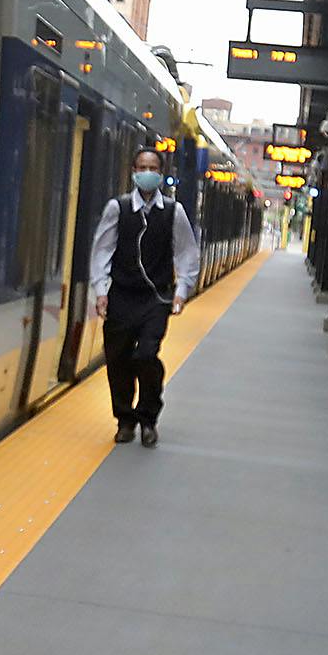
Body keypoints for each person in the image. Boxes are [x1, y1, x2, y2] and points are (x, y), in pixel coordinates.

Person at [88, 146, 200, 447]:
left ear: (161, 174)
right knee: (118, 359)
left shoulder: (174, 212)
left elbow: (187, 252)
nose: (147, 173)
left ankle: (148, 418)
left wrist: (181, 291)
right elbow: (102, 250)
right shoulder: (118, 208)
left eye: (153, 168)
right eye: (142, 168)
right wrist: (101, 291)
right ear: (133, 172)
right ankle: (124, 420)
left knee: (146, 355)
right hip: (121, 296)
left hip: (156, 299)